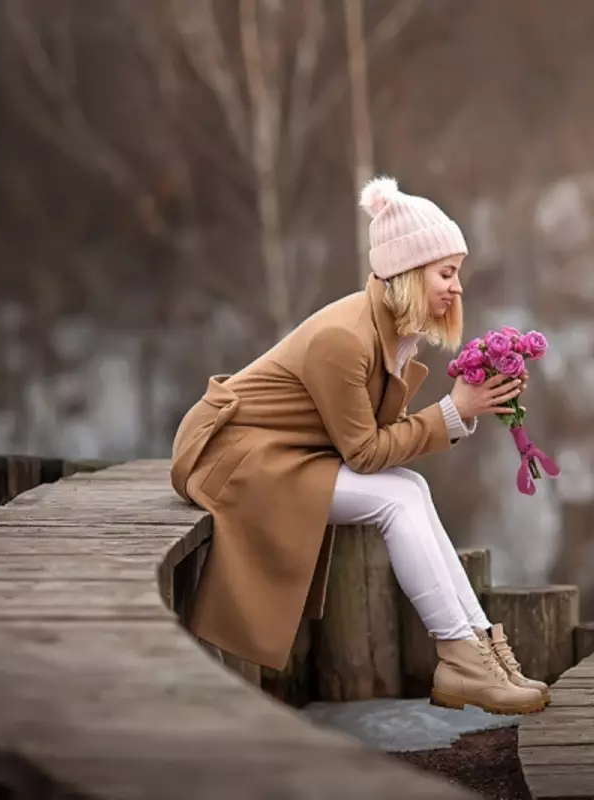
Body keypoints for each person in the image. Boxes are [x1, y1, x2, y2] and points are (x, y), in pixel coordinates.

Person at [170, 176, 548, 715]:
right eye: (446, 273)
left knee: (410, 488)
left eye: (456, 274)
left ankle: (479, 644)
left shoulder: (388, 330)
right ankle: (462, 659)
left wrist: (469, 408)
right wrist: (453, 410)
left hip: (280, 452)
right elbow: (366, 453)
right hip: (230, 457)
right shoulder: (344, 339)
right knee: (396, 498)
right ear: (410, 273)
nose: (457, 287)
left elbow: (375, 447)